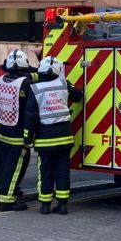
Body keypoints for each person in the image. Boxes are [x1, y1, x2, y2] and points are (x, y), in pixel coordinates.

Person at [25, 56, 82, 215]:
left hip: (45, 139)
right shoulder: (64, 85)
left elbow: (30, 115)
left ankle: (45, 205)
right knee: (63, 170)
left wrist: (27, 138)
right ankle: (62, 205)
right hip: (64, 138)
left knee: (46, 171)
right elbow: (78, 96)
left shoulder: (35, 89)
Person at [0, 49, 36, 211]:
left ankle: (5, 195)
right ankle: (7, 201)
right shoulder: (25, 83)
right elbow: (30, 110)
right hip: (19, 135)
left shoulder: (3, 79)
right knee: (16, 168)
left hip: (5, 131)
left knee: (7, 166)